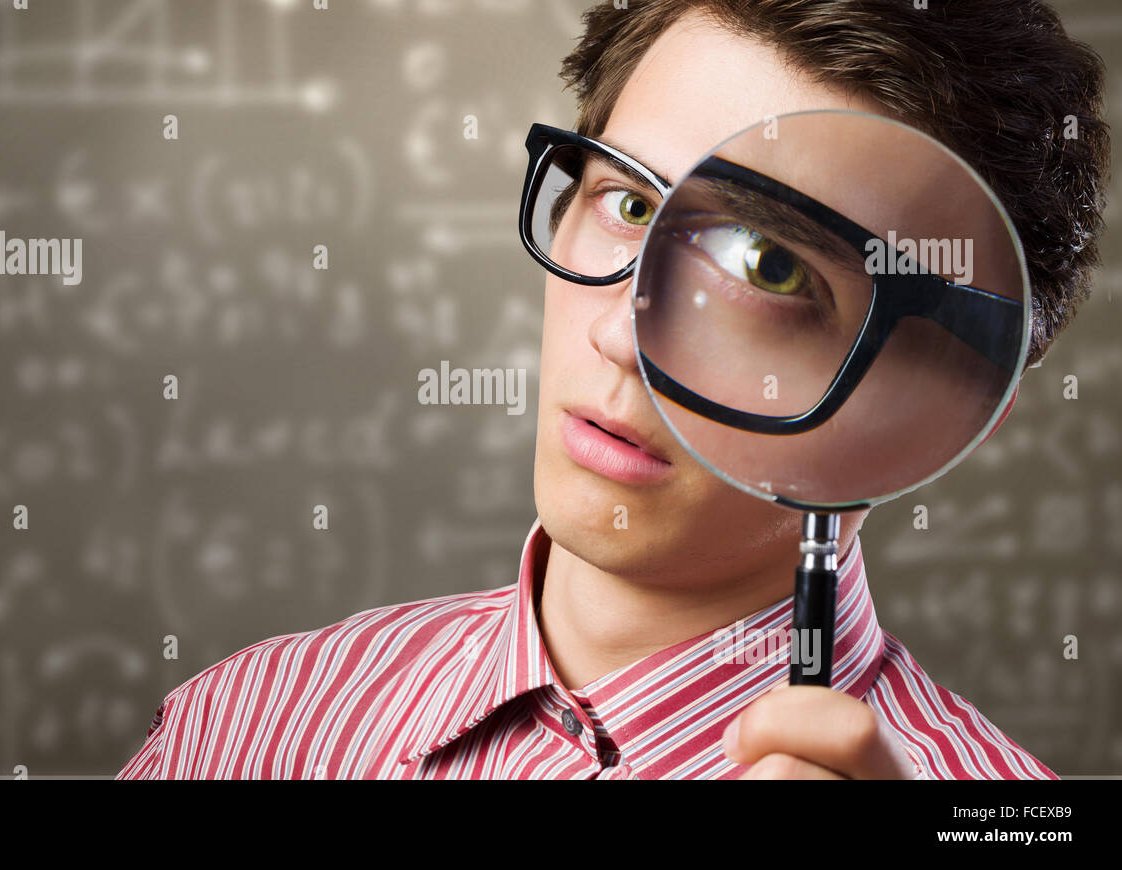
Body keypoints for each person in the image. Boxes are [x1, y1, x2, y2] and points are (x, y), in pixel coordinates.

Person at [116, 0, 1108, 780]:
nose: (616, 331)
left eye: (767, 268)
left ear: (949, 416)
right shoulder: (244, 728)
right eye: (628, 201)